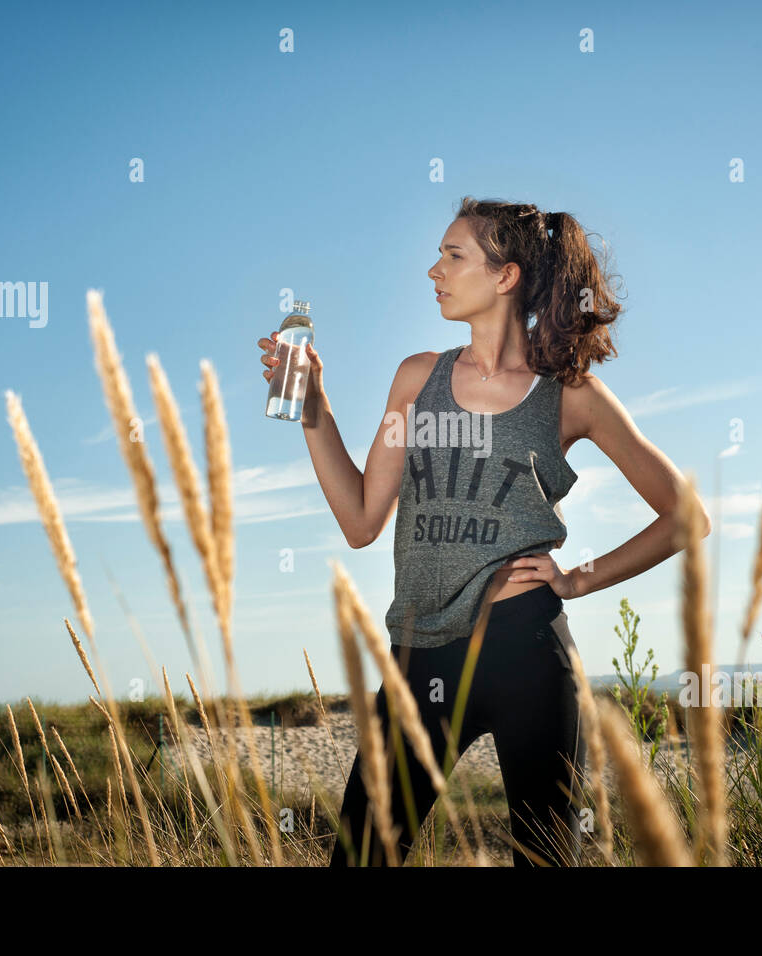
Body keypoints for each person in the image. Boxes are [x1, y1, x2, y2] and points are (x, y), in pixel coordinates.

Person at [257, 197, 711, 866]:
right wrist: (313, 409)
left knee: (547, 857)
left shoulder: (572, 395)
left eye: (453, 254)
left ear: (506, 276)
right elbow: (359, 521)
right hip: (421, 653)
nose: (433, 270)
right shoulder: (417, 380)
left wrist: (579, 578)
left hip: (525, 644)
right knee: (361, 856)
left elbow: (685, 516)